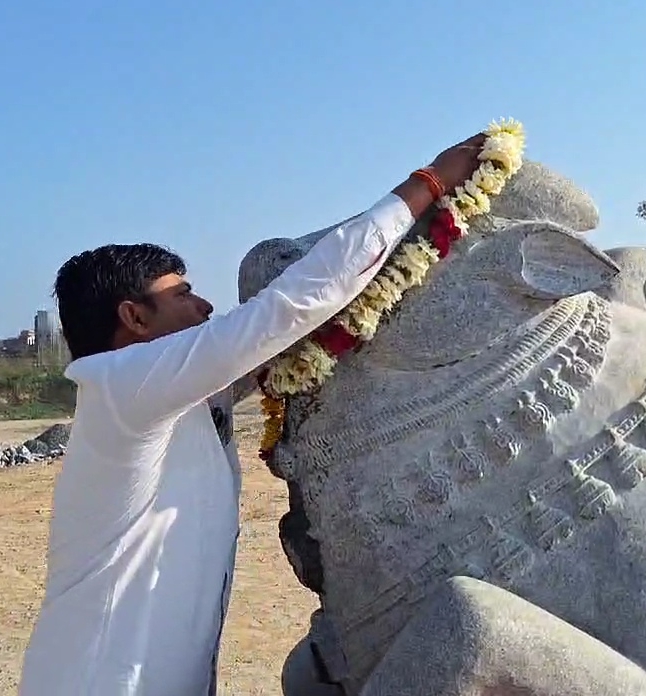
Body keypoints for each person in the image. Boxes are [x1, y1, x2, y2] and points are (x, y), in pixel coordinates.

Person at [18, 131, 486, 696]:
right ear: (134, 318)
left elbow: (285, 338)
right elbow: (287, 308)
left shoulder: (174, 395)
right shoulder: (123, 386)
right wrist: (431, 182)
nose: (205, 305)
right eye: (182, 294)